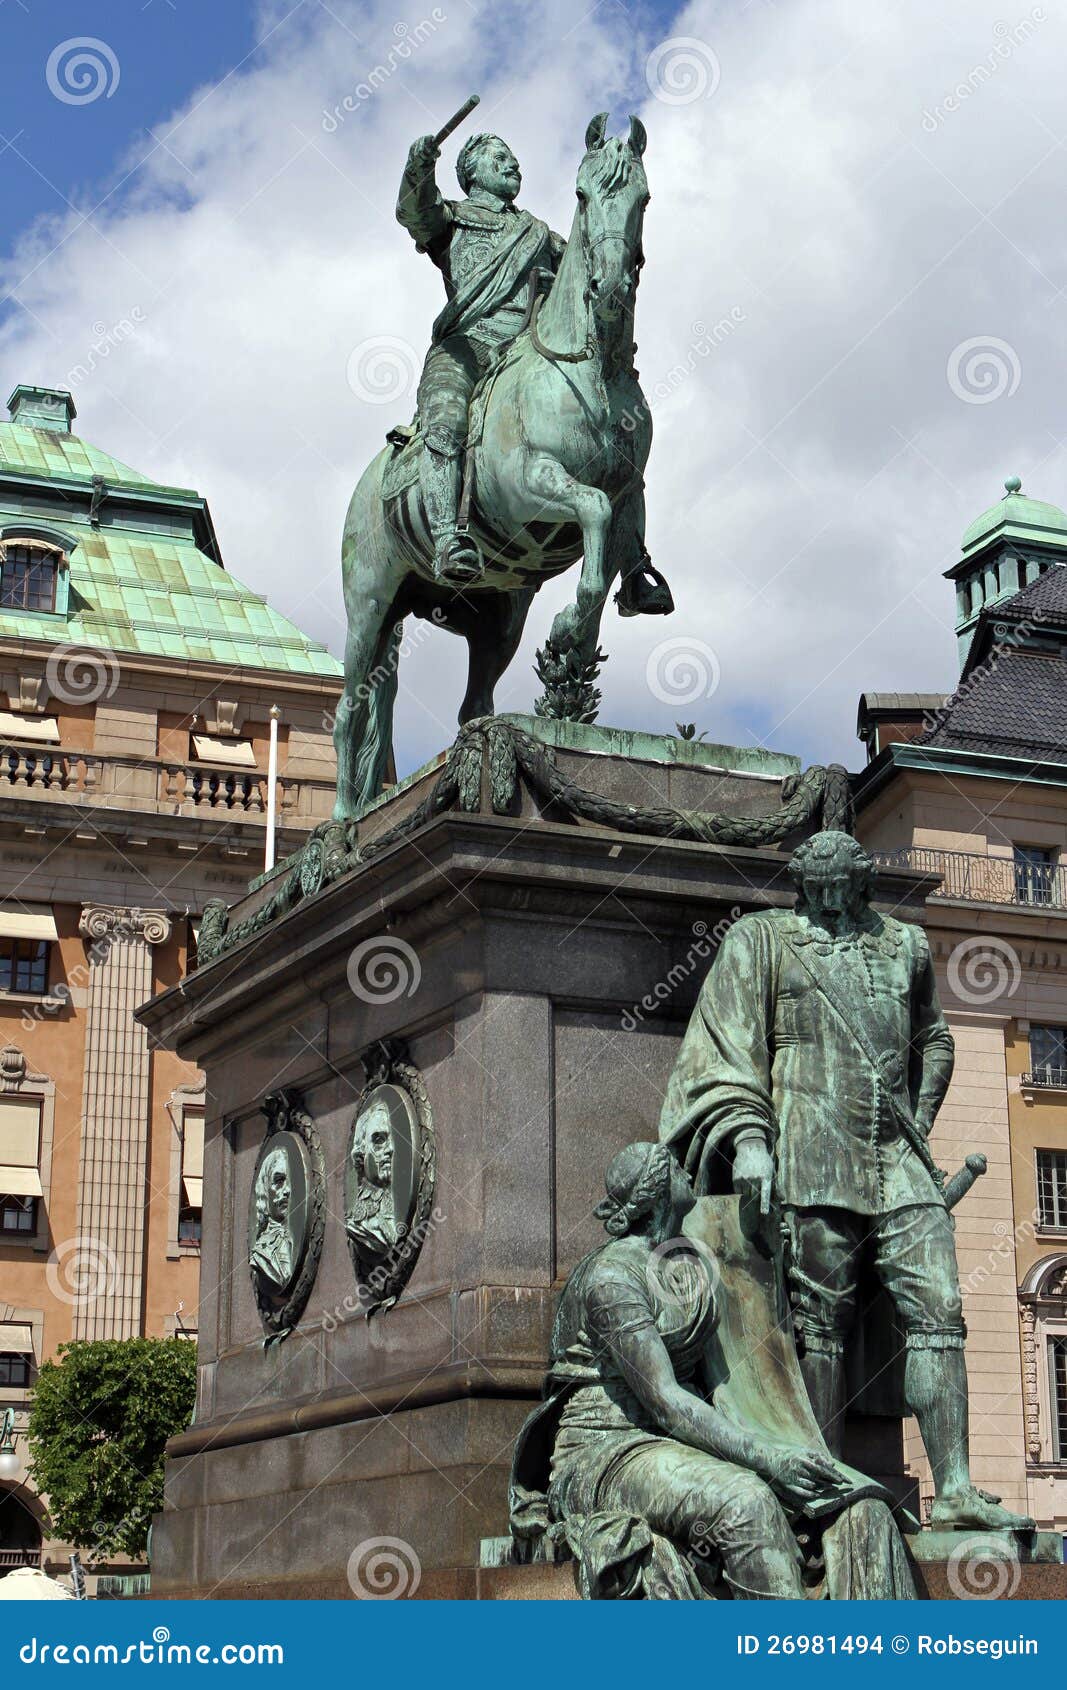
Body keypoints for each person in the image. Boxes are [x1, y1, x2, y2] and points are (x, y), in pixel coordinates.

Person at [658, 829, 1034, 1532]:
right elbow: (728, 1046)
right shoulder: (759, 939)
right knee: (818, 1322)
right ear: (799, 886)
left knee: (939, 1307)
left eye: (841, 897)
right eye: (816, 897)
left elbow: (934, 1037)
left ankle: (952, 1488)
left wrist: (919, 1120)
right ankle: (824, 1481)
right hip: (808, 1150)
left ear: (861, 886)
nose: (828, 910)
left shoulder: (906, 944)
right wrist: (749, 1143)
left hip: (896, 1159)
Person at [510, 1140, 916, 1599]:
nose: (691, 1174)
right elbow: (665, 1400)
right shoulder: (611, 1279)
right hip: (604, 1452)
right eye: (678, 1170)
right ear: (659, 1191)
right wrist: (768, 1458)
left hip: (676, 1443)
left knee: (860, 1514)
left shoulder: (684, 1263)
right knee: (747, 1503)